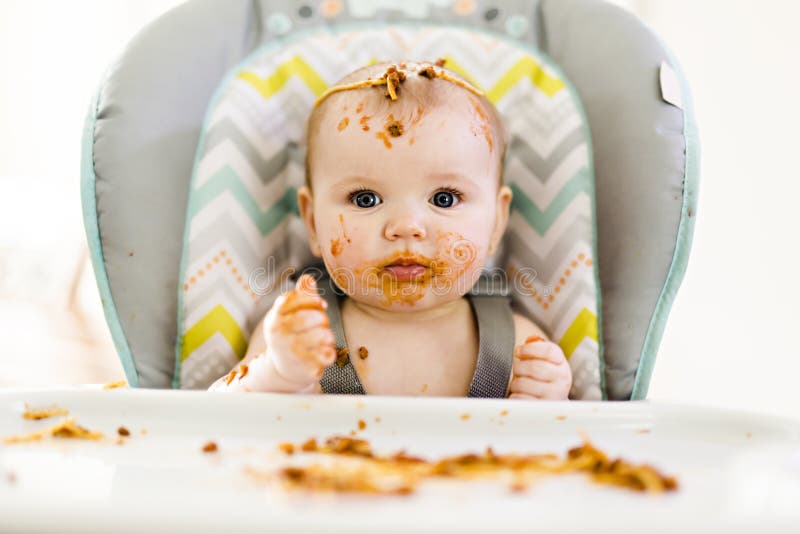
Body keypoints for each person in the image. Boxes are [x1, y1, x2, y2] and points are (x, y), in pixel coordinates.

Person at [209, 60, 572, 399]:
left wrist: (547, 399)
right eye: (365, 199)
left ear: (497, 221)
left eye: (444, 198)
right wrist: (276, 374)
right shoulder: (301, 335)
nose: (406, 228)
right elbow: (215, 415)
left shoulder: (516, 346)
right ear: (313, 222)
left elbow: (566, 443)